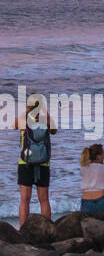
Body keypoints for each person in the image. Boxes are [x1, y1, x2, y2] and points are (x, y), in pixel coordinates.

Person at [14, 97, 56, 227]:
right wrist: (44, 110)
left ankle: (23, 229)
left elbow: (14, 125)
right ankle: (48, 230)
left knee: (24, 200)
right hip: (43, 164)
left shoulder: (24, 121)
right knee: (44, 200)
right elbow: (54, 130)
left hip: (25, 163)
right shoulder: (45, 122)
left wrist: (27, 110)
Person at [80, 144, 104, 214]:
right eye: (103, 154)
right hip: (101, 200)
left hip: (86, 200)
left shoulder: (83, 168)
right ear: (98, 156)